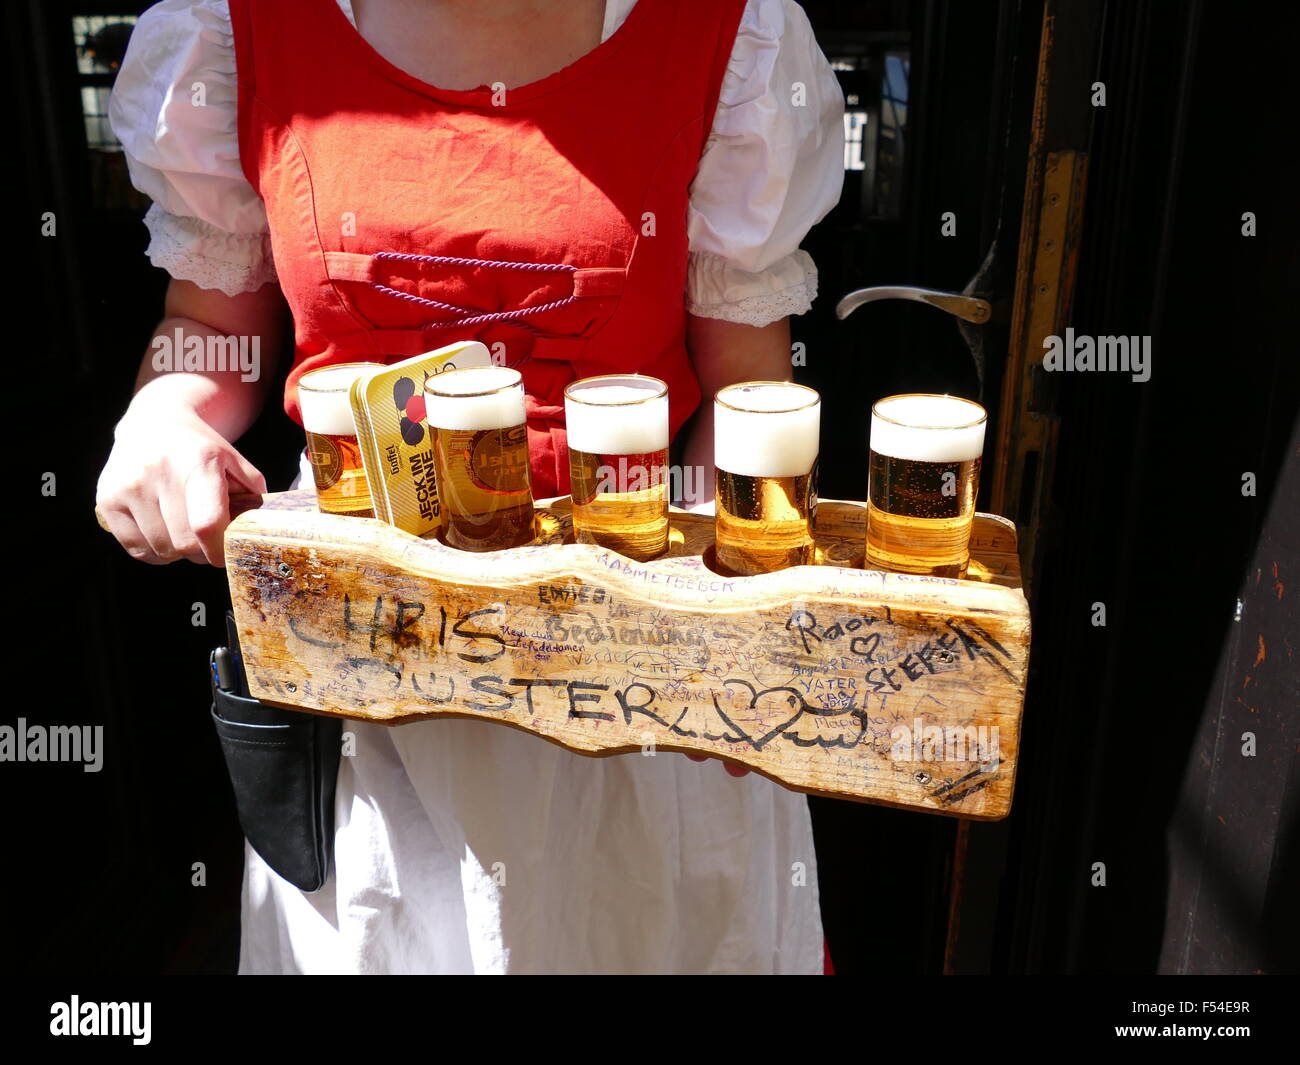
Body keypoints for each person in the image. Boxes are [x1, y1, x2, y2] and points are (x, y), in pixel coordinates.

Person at [97, 0, 845, 973]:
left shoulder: (727, 35)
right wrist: (162, 417)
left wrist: (697, 632)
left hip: (631, 678)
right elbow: (210, 330)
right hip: (364, 676)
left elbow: (747, 394)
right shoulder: (236, 29)